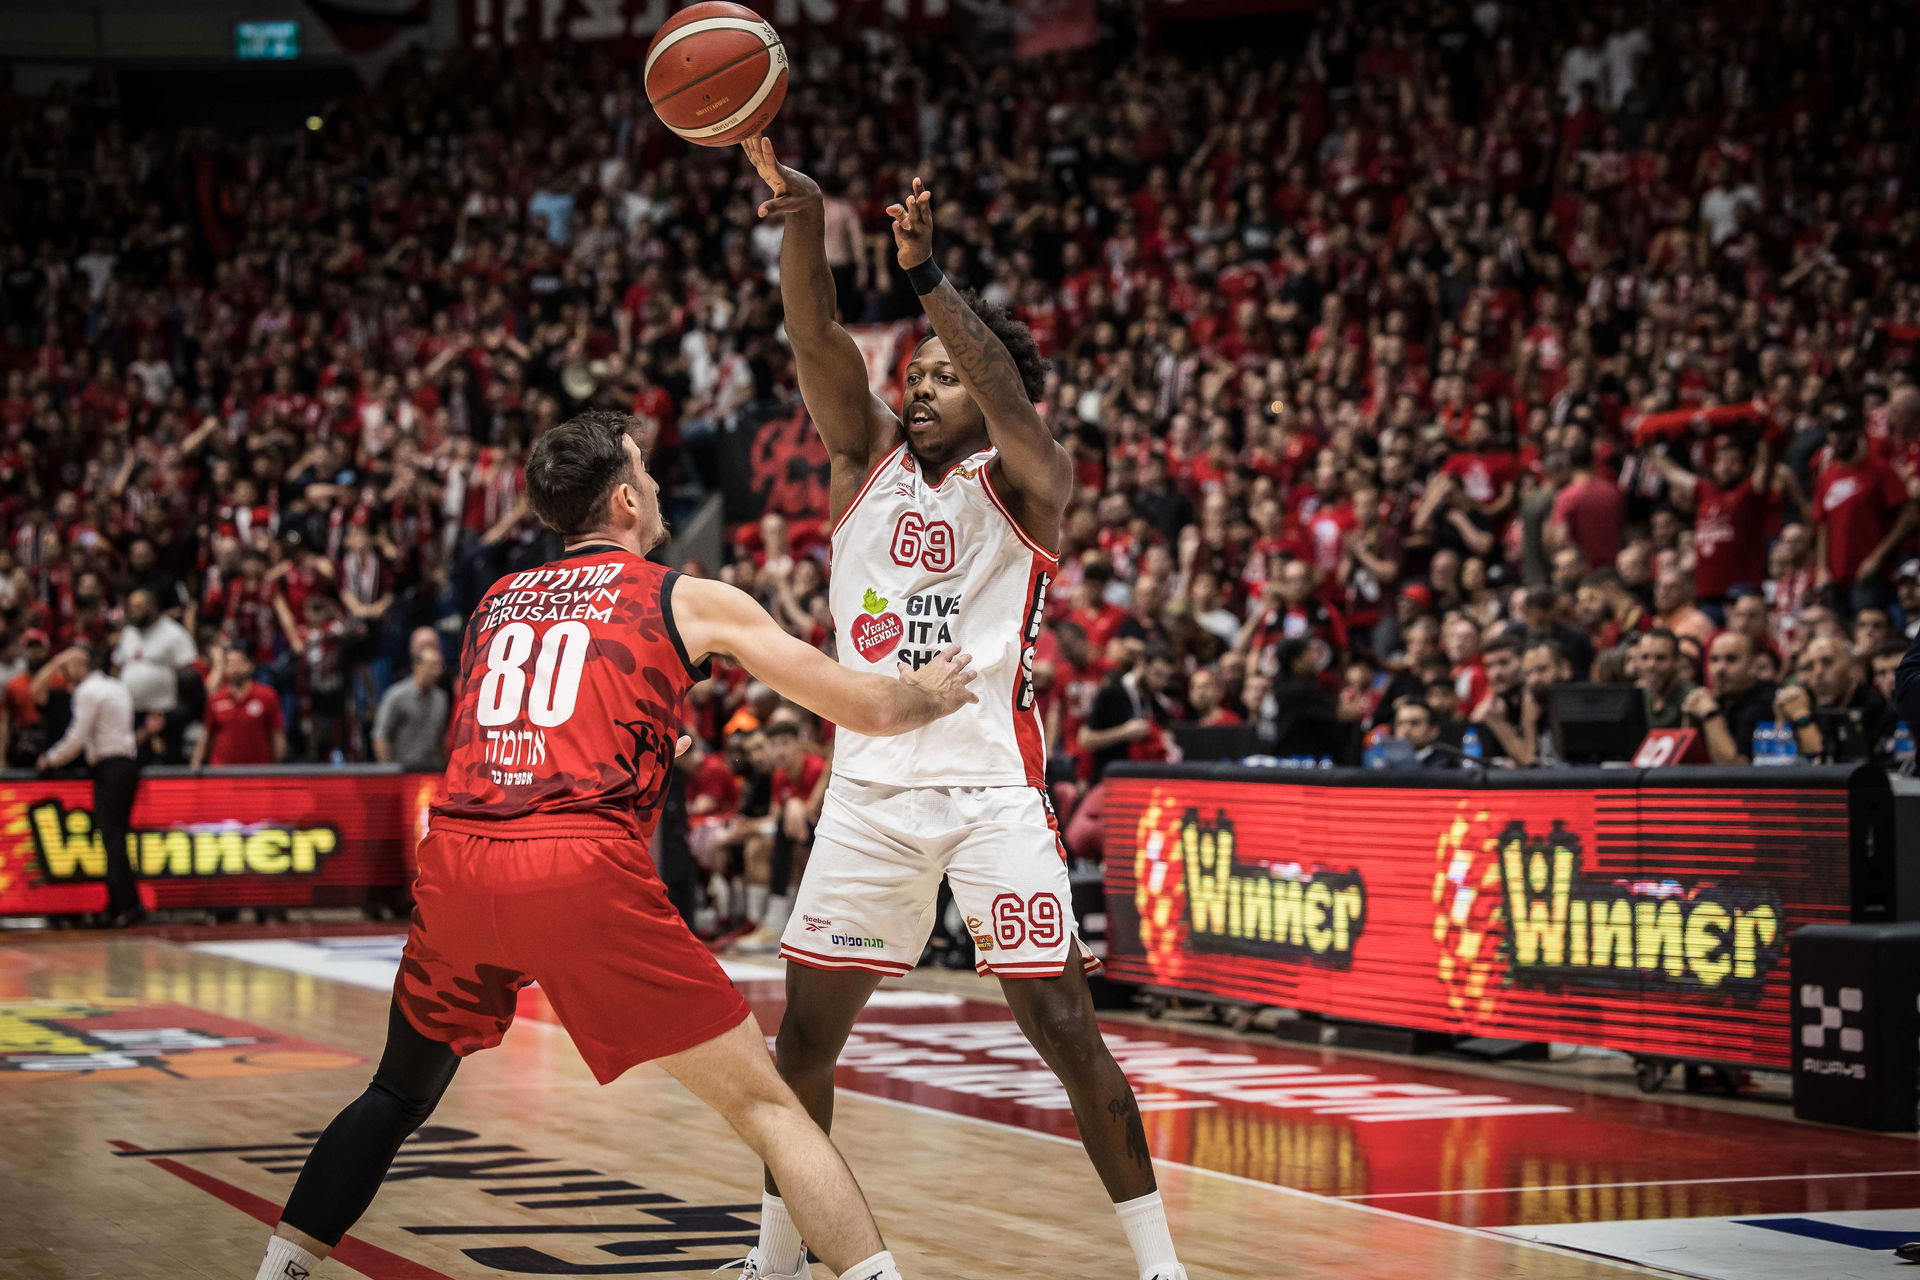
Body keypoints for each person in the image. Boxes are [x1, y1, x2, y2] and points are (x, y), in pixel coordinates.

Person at [250, 411, 979, 1280]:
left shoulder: (495, 600)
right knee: (773, 1109)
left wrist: (639, 757)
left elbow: (518, 737)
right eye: (649, 470)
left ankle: (278, 1270)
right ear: (627, 498)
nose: (665, 485)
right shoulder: (683, 595)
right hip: (572, 865)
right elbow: (865, 708)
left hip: (458, 862)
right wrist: (926, 694)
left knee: (397, 1091)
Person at [740, 136, 1186, 1280]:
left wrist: (930, 279)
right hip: (871, 796)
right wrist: (805, 223)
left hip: (993, 795)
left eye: (939, 374)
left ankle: (1160, 1266)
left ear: (988, 389)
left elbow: (1001, 389)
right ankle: (776, 1255)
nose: (917, 388)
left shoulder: (1032, 479)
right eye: (916, 374)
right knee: (801, 1040)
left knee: (1068, 1035)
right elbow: (816, 338)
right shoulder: (863, 461)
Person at [36, 645, 143, 927]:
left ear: (82, 666)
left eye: (67, 666)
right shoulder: (115, 686)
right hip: (128, 765)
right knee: (116, 837)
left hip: (110, 767)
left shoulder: (88, 692)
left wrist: (49, 759)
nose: (63, 672)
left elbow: (76, 739)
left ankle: (126, 906)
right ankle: (119, 903)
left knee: (112, 838)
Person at [113, 589, 197, 764]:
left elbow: (188, 671)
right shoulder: (128, 633)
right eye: (132, 607)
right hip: (132, 711)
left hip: (165, 710)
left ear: (152, 607)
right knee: (133, 762)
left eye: (139, 607)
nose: (134, 611)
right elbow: (117, 666)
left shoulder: (173, 632)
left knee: (168, 761)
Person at [1683, 632, 1778, 764]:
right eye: (1714, 660)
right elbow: (1689, 764)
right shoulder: (1721, 700)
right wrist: (1691, 719)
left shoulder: (1768, 702)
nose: (1720, 669)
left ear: (1753, 666)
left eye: (1731, 659)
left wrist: (1710, 715)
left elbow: (1737, 770)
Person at [192, 645, 285, 768]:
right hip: (222, 771)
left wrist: (279, 766)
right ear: (225, 668)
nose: (235, 668)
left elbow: (277, 732)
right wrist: (195, 764)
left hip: (258, 771)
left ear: (250, 666)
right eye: (230, 664)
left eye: (240, 662)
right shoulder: (215, 699)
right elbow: (206, 735)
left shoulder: (267, 696)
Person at [372, 645, 451, 772]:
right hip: (402, 770)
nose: (437, 672)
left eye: (439, 666)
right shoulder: (396, 696)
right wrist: (387, 770)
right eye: (432, 666)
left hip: (432, 770)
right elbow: (380, 736)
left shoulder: (441, 699)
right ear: (417, 666)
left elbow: (440, 739)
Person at [1635, 628, 1695, 732]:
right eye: (1645, 657)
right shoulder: (1637, 696)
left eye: (1660, 658)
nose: (1651, 665)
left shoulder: (1693, 698)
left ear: (1677, 660)